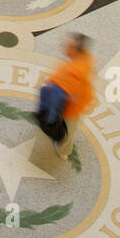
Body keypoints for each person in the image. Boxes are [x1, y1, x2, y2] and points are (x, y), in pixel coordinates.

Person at [46, 33, 97, 162]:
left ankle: (64, 151)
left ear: (74, 48)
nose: (63, 47)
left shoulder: (74, 70)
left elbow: (68, 91)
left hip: (72, 107)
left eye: (67, 45)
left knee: (69, 129)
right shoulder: (85, 56)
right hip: (77, 100)